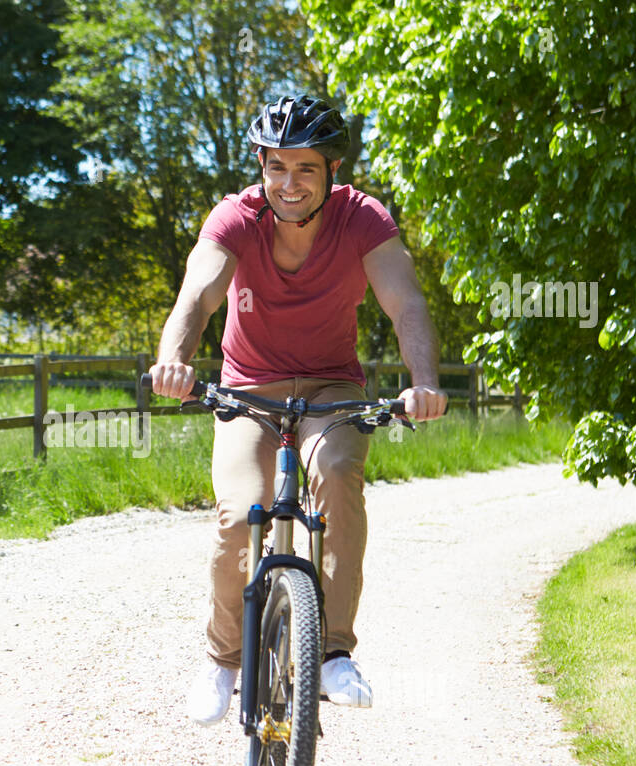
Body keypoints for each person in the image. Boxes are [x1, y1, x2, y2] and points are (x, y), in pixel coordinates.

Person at [149, 95, 447, 724]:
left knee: (338, 476)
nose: (288, 183)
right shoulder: (236, 216)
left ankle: (333, 653)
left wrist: (423, 382)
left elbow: (407, 304)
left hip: (330, 387)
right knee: (238, 515)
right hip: (248, 387)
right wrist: (174, 358)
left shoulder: (363, 218)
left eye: (305, 169)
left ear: (330, 172)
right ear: (261, 165)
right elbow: (198, 294)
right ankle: (224, 660)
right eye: (277, 167)